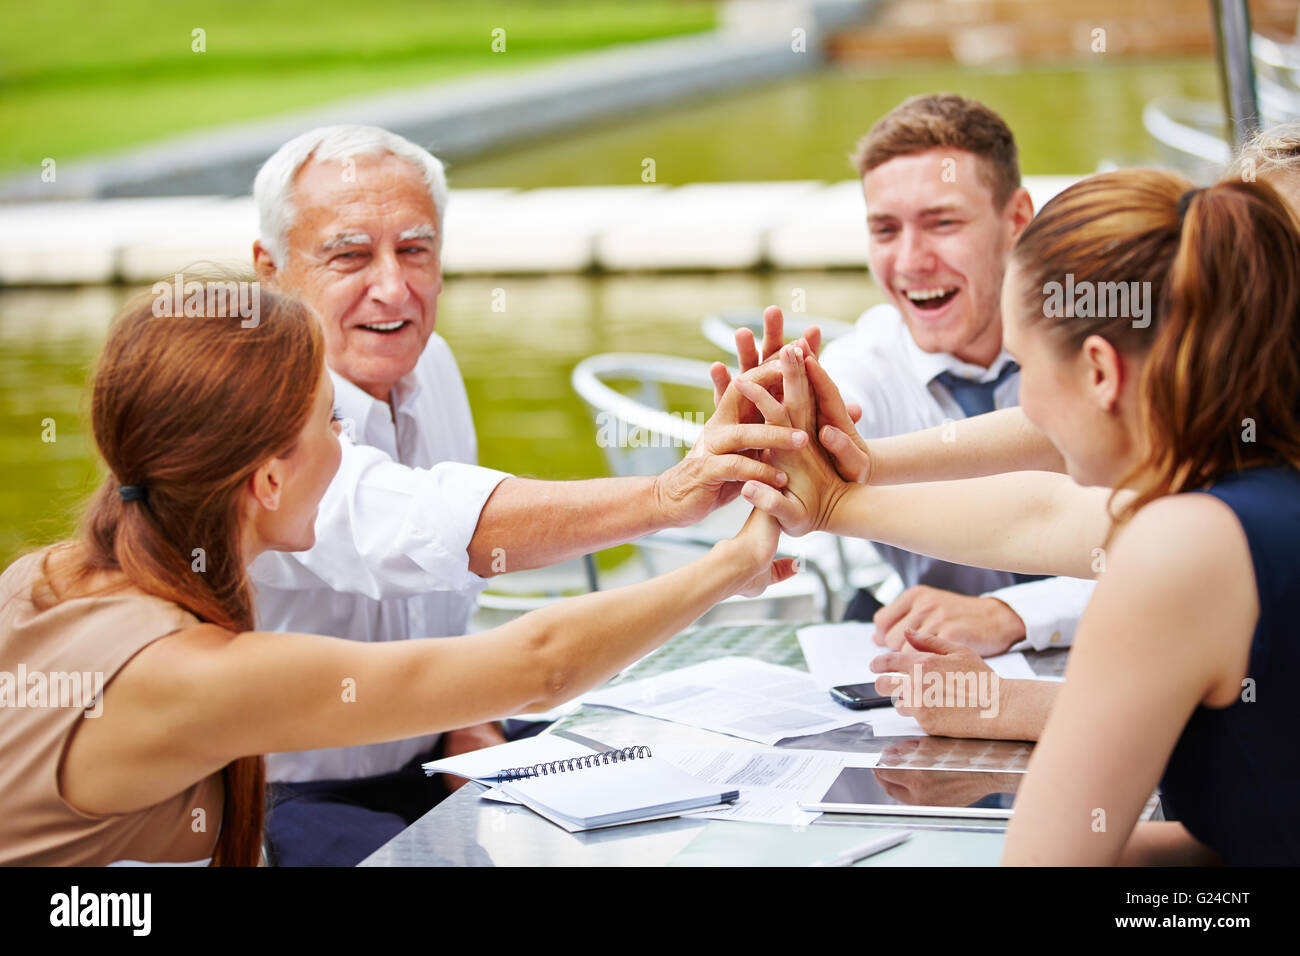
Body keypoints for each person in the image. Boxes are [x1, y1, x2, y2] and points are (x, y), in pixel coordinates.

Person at [0, 282, 796, 866]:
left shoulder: (41, 580)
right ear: (268, 482)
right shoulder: (183, 674)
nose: (347, 444)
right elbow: (536, 664)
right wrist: (735, 558)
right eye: (331, 423)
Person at [245, 126, 815, 864]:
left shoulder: (429, 361)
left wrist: (465, 723)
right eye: (351, 255)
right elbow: (431, 530)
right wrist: (673, 495)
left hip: (444, 750)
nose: (393, 288)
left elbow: (442, 591)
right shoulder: (261, 410)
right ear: (270, 270)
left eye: (415, 251)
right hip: (290, 799)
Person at [737, 168, 1300, 865]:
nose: (1023, 408)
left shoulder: (1183, 545)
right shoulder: (1250, 487)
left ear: (1100, 372)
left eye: (1024, 369)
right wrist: (834, 497)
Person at [717, 94, 1094, 658]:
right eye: (886, 230)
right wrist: (786, 428)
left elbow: (1169, 551)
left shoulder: (1103, 338)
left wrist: (1016, 614)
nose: (913, 261)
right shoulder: (870, 357)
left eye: (942, 222)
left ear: (1016, 219)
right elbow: (837, 408)